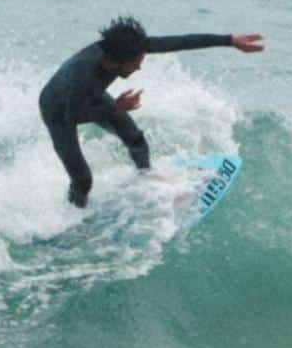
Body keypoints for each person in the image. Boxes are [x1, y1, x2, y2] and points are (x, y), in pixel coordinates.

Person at [37, 17, 264, 207]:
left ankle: (147, 179)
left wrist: (230, 40)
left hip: (92, 97)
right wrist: (114, 107)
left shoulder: (125, 48)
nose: (139, 67)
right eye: (135, 63)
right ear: (118, 62)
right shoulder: (83, 75)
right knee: (83, 179)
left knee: (135, 138)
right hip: (58, 109)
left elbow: (179, 42)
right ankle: (76, 216)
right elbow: (73, 116)